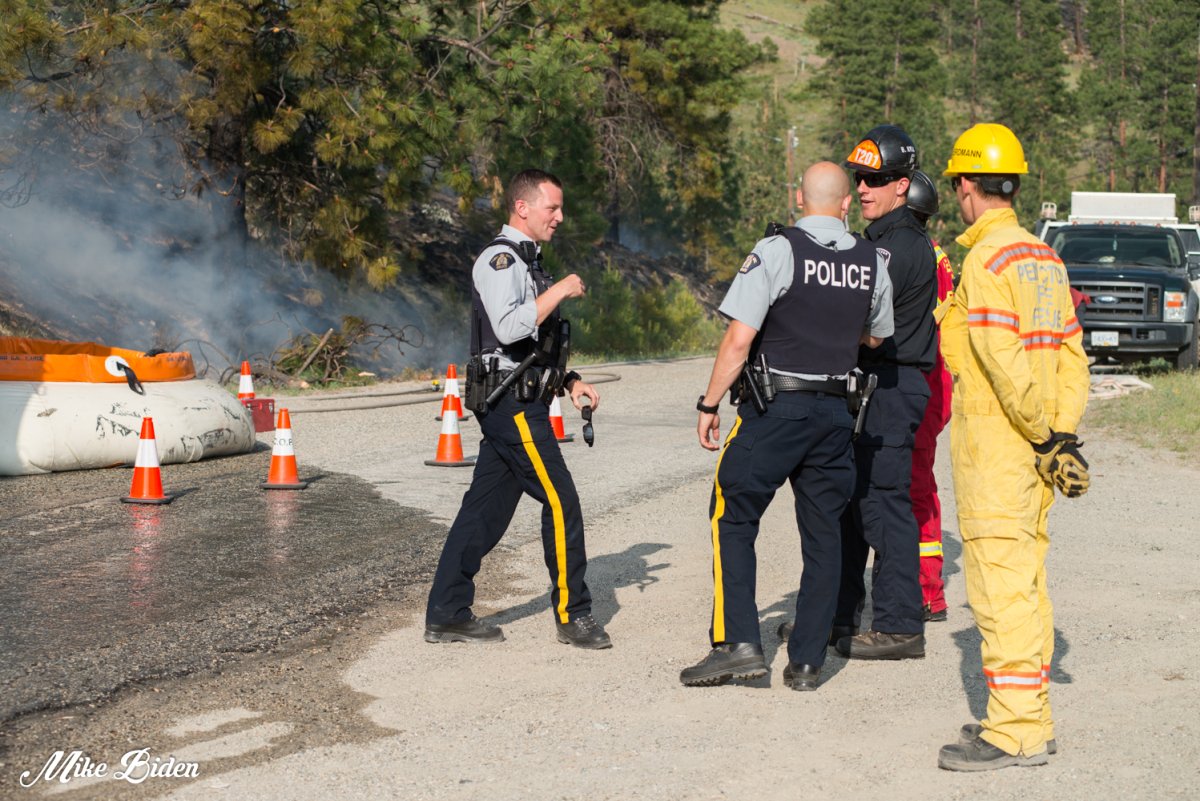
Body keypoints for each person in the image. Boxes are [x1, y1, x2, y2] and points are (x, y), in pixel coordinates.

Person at [680, 161, 894, 692]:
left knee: (733, 515)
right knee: (824, 533)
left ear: (800, 198)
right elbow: (875, 337)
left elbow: (738, 340)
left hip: (776, 409)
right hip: (836, 414)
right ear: (846, 203)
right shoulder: (872, 260)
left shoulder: (777, 250)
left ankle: (738, 645)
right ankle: (806, 663)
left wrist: (709, 403)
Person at [936, 124, 1090, 771]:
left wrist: (1039, 431)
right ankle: (1034, 718)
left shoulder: (987, 261)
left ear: (968, 184)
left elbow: (1002, 362)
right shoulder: (1045, 258)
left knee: (1000, 591)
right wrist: (1061, 435)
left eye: (958, 184)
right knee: (1026, 583)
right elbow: (1073, 357)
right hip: (1039, 453)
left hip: (1000, 452)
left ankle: (1015, 731)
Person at [424, 169, 611, 650]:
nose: (560, 217)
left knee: (483, 512)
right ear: (523, 207)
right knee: (561, 501)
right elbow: (509, 329)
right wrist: (561, 289)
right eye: (553, 207)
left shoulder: (528, 261)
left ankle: (446, 612)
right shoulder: (501, 260)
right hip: (512, 405)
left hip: (520, 396)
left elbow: (531, 347)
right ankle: (574, 614)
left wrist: (569, 381)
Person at [833, 125, 939, 661]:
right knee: (850, 505)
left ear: (902, 185)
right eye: (859, 178)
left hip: (893, 385)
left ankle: (899, 626)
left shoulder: (901, 246)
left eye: (875, 180)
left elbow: (859, 316)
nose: (863, 188)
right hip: (870, 385)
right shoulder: (876, 241)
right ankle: (838, 617)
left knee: (884, 505)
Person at [905, 169, 955, 622]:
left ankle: (928, 592)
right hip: (932, 390)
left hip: (922, 390)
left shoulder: (918, 257)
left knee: (917, 491)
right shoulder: (935, 255)